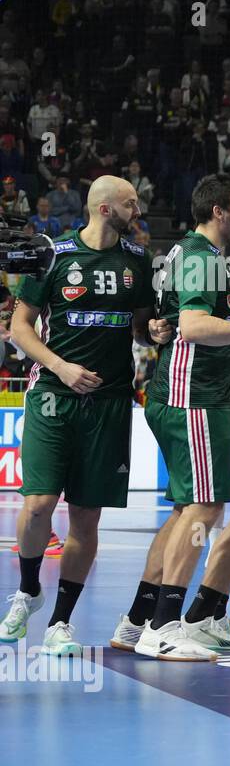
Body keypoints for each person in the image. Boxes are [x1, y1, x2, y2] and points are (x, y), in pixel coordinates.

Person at [124, 174, 230, 662]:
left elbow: (168, 320)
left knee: (187, 511)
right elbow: (195, 326)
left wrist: (158, 327)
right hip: (191, 395)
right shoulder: (200, 257)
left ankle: (139, 620)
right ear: (219, 211)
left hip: (184, 392)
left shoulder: (189, 254)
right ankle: (165, 625)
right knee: (203, 509)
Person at [1, 177, 160, 653]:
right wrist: (61, 367)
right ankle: (28, 590)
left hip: (110, 402)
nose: (139, 206)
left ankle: (59, 623)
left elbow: (141, 331)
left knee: (86, 518)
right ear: (107, 208)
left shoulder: (137, 260)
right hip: (53, 393)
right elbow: (19, 329)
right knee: (38, 506)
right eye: (132, 200)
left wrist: (153, 330)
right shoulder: (53, 254)